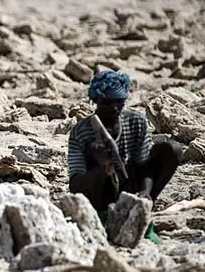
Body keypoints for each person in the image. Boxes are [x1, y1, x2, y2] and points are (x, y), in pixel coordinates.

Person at [67, 70, 182, 243]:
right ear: (95, 100)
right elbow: (75, 185)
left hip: (129, 182)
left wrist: (146, 192)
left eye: (119, 102)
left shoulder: (137, 122)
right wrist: (101, 168)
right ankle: (105, 215)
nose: (114, 108)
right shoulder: (81, 132)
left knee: (172, 149)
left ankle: (145, 206)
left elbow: (143, 166)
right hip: (99, 191)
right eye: (107, 103)